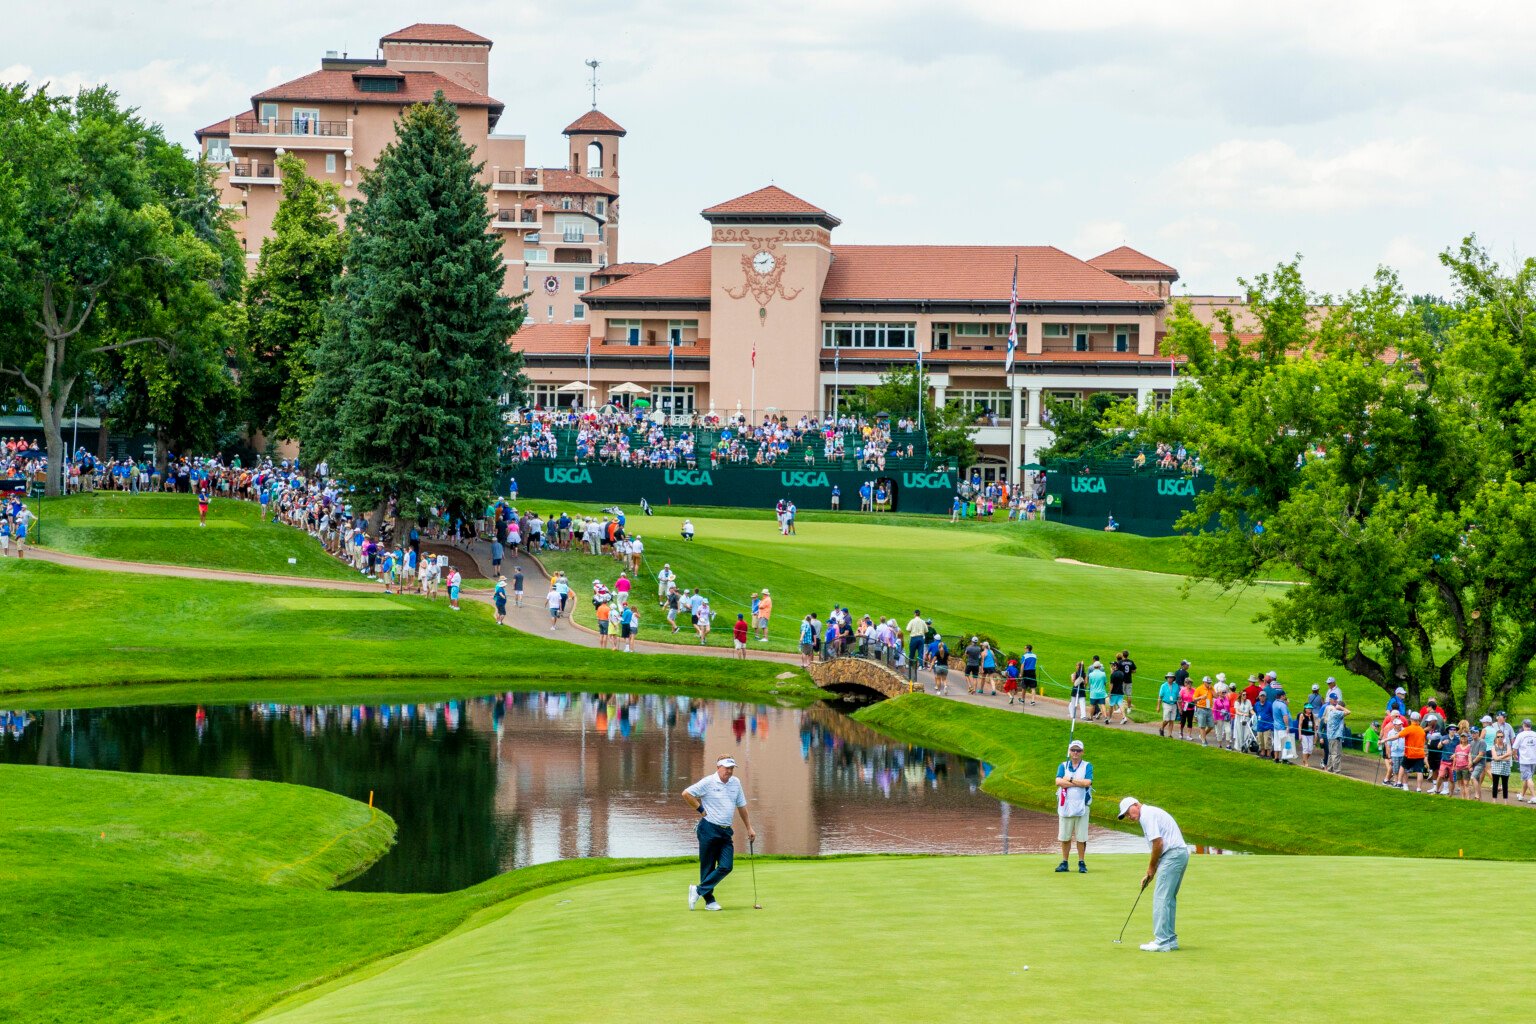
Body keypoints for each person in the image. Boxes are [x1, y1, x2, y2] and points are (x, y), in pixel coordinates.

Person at [681, 756, 756, 912]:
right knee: (708, 867)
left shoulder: (736, 783)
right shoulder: (709, 782)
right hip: (708, 828)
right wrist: (701, 810)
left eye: (732, 768)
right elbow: (686, 793)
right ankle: (710, 902)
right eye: (726, 768)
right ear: (718, 767)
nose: (729, 771)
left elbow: (741, 806)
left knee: (726, 866)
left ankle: (697, 890)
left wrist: (749, 827)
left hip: (725, 831)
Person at [1118, 797, 1188, 952]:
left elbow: (1158, 843)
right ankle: (1170, 940)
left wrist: (1151, 867)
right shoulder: (1150, 813)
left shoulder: (1147, 815)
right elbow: (1159, 845)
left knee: (1161, 898)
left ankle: (1162, 941)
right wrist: (1152, 872)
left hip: (1173, 855)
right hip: (1179, 854)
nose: (1129, 817)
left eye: (1128, 812)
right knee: (1168, 898)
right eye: (1126, 815)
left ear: (1135, 805)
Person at [1055, 740, 1094, 873]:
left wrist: (1069, 780)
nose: (1075, 753)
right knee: (1065, 836)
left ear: (1082, 752)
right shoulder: (1063, 766)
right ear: (1069, 752)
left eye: (1078, 750)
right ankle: (1064, 862)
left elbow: (1087, 782)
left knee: (1081, 837)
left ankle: (1081, 862)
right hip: (1065, 806)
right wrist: (1076, 783)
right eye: (1073, 750)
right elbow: (1058, 781)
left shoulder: (1087, 766)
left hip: (1082, 806)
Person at [1514, 719, 1536, 802]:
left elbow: (1515, 748)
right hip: (1533, 759)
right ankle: (1521, 795)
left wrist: (1515, 755)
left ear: (1523, 725)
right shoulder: (1535, 734)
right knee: (1527, 778)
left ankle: (1534, 797)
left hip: (1525, 760)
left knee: (1528, 778)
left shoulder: (1521, 735)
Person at [1157, 672, 1179, 738]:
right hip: (1166, 704)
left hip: (1174, 704)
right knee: (1166, 720)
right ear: (1166, 678)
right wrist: (1158, 706)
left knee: (1172, 720)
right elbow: (1160, 697)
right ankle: (1161, 728)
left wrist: (1179, 706)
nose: (1170, 678)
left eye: (1171, 677)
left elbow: (1178, 696)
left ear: (1173, 678)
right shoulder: (1163, 686)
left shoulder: (1176, 686)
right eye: (1168, 677)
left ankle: (1169, 734)